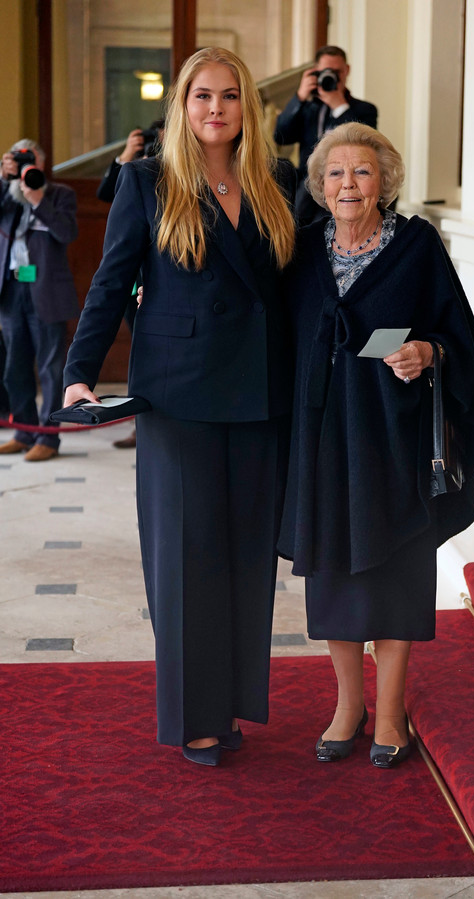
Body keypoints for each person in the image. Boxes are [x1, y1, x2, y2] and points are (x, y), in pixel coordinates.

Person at [62, 48, 296, 766]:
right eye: (202, 95)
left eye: (229, 95)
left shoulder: (276, 180)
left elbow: (295, 288)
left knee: (245, 557)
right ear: (182, 105)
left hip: (260, 391)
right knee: (187, 557)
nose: (215, 108)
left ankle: (229, 702)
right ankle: (195, 717)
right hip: (178, 392)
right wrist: (77, 374)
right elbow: (110, 283)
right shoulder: (146, 180)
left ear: (247, 106)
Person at [277, 123, 474, 768]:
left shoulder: (416, 245)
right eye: (336, 173)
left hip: (394, 440)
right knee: (333, 576)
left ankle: (392, 712)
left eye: (363, 171)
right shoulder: (300, 249)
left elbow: (458, 336)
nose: (348, 184)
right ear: (320, 185)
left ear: (385, 182)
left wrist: (427, 352)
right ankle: (348, 707)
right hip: (322, 440)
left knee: (398, 574)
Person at [0, 139, 79, 461]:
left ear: (41, 164)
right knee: (14, 367)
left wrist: (37, 200)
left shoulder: (60, 194)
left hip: (46, 290)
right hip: (11, 289)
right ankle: (24, 431)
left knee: (50, 368)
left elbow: (67, 233)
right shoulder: (6, 194)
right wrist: (4, 179)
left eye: (30, 160)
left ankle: (48, 438)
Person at [96, 120, 165, 450]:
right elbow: (104, 193)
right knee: (142, 351)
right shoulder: (137, 172)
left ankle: (154, 421)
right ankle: (141, 422)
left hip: (168, 282)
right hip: (133, 281)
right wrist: (126, 157)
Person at [274, 45, 377, 225]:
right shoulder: (307, 109)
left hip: (344, 183)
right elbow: (281, 136)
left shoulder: (364, 110)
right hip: (306, 185)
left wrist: (340, 108)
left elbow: (365, 144)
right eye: (326, 72)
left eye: (337, 72)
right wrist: (299, 97)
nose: (332, 77)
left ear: (347, 71)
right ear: (316, 72)